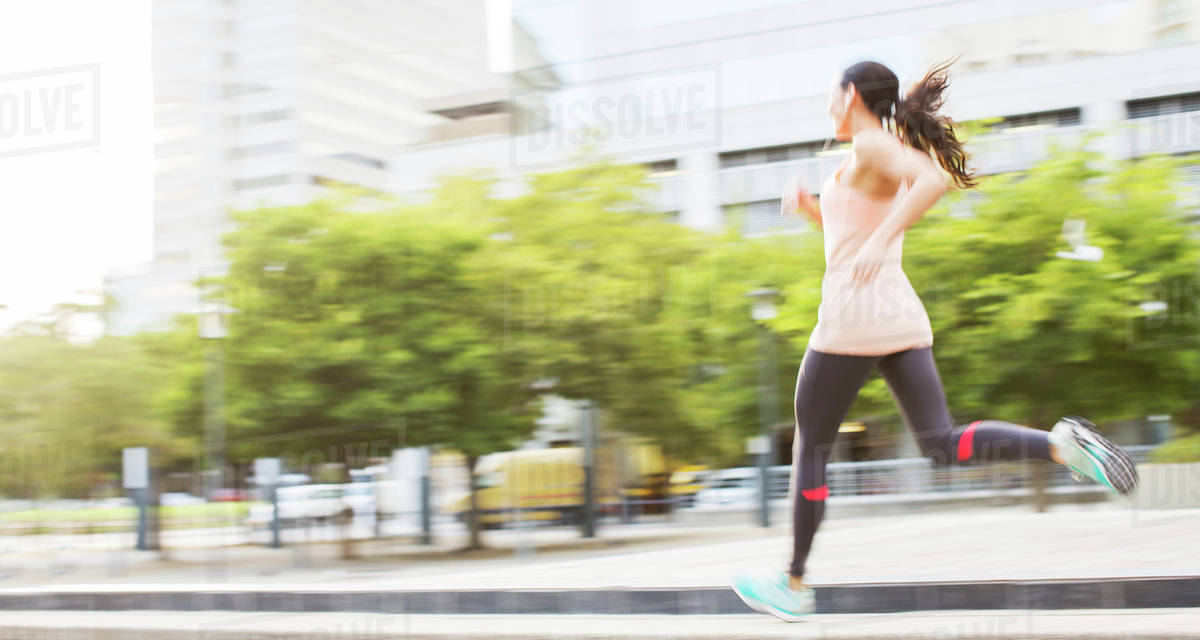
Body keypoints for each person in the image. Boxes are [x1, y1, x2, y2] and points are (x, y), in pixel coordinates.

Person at [731, 57, 1140, 622]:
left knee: (811, 444)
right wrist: (813, 213)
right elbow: (854, 230)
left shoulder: (873, 144)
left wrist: (881, 239)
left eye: (831, 92)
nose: (826, 104)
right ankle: (1059, 444)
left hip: (853, 313)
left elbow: (932, 180)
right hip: (895, 313)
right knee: (940, 441)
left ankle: (794, 583)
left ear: (850, 94)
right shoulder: (867, 154)